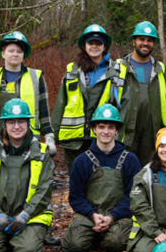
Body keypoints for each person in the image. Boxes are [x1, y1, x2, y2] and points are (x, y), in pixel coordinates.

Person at [0, 99, 55, 252]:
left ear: (28, 123)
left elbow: (45, 189)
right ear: (4, 124)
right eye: (11, 122)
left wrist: (25, 215)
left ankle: (23, 239)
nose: (16, 127)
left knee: (28, 251)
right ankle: (2, 240)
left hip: (30, 216)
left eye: (21, 121)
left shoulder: (43, 153)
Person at [64, 103, 141, 252]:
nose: (106, 131)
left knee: (115, 243)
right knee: (74, 244)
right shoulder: (82, 161)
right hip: (90, 215)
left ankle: (104, 235)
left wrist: (112, 217)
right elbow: (76, 197)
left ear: (117, 130)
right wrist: (93, 215)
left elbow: (134, 196)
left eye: (110, 127)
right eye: (101, 126)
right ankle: (94, 233)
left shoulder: (130, 160)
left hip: (119, 216)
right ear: (94, 129)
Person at [0, 31, 52, 160]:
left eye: (19, 51)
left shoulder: (36, 77)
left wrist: (49, 137)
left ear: (24, 55)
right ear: (3, 53)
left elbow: (44, 111)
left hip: (28, 142)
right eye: (11, 51)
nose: (15, 54)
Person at [53, 24, 123, 161]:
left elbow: (122, 105)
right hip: (73, 140)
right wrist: (53, 134)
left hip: (101, 138)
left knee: (98, 180)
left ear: (104, 46)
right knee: (76, 179)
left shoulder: (116, 71)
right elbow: (61, 103)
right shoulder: (72, 71)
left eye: (98, 43)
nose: (94, 46)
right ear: (84, 46)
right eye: (91, 43)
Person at [116, 21, 166, 164]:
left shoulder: (160, 68)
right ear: (134, 41)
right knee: (125, 168)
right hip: (126, 130)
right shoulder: (120, 66)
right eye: (141, 39)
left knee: (149, 170)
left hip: (152, 130)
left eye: (149, 40)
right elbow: (109, 98)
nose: (145, 43)